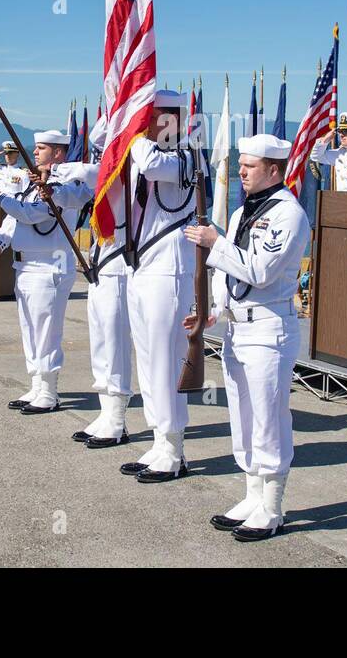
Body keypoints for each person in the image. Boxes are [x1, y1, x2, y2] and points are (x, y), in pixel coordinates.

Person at [184, 134, 310, 541]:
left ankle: (272, 507)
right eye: (240, 163)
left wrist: (214, 243)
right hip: (238, 327)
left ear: (274, 169)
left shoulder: (288, 214)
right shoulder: (242, 213)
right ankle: (252, 495)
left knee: (269, 418)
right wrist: (211, 313)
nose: (241, 171)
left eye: (250, 166)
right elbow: (228, 275)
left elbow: (260, 271)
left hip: (270, 328)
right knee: (243, 416)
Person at [120, 89, 207, 484]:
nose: (147, 124)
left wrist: (130, 129)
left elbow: (152, 165)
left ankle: (173, 448)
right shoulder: (145, 150)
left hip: (170, 270)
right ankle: (159, 439)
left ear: (171, 118)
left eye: (151, 117)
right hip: (142, 266)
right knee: (147, 358)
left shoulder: (188, 154)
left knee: (164, 360)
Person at [0, 131, 92, 415]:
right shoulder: (32, 184)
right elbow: (13, 221)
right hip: (25, 265)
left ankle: (50, 391)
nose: (36, 152)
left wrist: (0, 197)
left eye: (42, 148)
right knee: (29, 329)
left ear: (58, 153)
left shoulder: (63, 185)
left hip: (49, 267)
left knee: (46, 331)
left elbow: (32, 214)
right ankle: (36, 383)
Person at [69, 120, 133, 448]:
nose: (101, 154)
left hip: (119, 269)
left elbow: (101, 177)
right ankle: (106, 412)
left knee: (115, 341)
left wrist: (69, 170)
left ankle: (118, 418)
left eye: (105, 148)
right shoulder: (105, 173)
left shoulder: (126, 171)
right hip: (99, 268)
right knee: (100, 342)